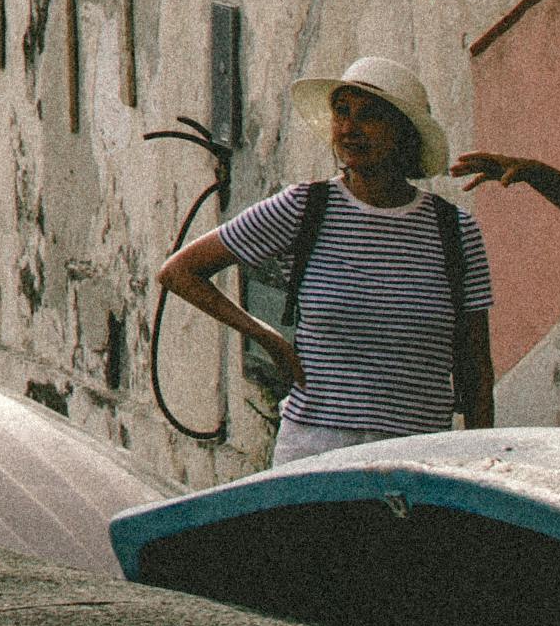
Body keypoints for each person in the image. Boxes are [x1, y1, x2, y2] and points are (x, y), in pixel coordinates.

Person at [155, 52, 491, 460]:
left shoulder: (454, 231)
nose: (349, 128)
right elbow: (180, 272)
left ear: (404, 133)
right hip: (316, 452)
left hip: (418, 459)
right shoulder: (306, 207)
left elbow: (475, 369)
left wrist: (480, 462)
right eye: (342, 112)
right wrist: (267, 337)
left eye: (368, 115)